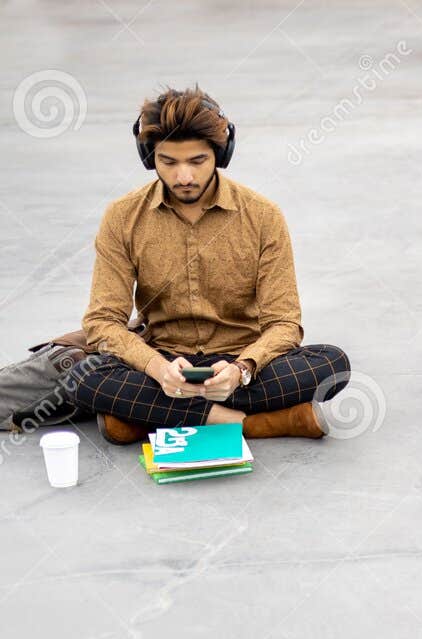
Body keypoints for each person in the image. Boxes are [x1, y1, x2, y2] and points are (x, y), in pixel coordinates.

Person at [66, 86, 351, 443]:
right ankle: (252, 424)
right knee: (80, 376)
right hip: (166, 362)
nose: (184, 177)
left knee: (333, 365)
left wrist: (241, 370)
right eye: (168, 162)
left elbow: (284, 323)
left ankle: (145, 419)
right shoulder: (122, 217)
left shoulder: (263, 216)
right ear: (148, 157)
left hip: (241, 362)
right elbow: (102, 321)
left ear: (221, 153)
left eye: (197, 161)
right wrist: (156, 367)